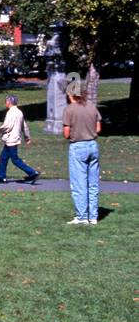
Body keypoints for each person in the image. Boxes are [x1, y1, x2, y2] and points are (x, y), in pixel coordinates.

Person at [62, 87, 101, 225]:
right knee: (93, 183)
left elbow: (66, 134)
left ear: (70, 95)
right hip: (93, 145)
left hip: (78, 146)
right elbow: (98, 128)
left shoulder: (69, 109)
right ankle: (93, 216)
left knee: (79, 184)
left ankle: (82, 216)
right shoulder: (91, 106)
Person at [0, 95, 38, 184]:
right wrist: (27, 137)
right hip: (13, 138)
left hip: (11, 139)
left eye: (6, 101)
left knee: (15, 160)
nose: (6, 103)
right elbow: (24, 126)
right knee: (3, 158)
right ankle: (1, 177)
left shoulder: (11, 113)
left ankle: (32, 173)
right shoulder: (19, 112)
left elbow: (7, 126)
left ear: (9, 102)